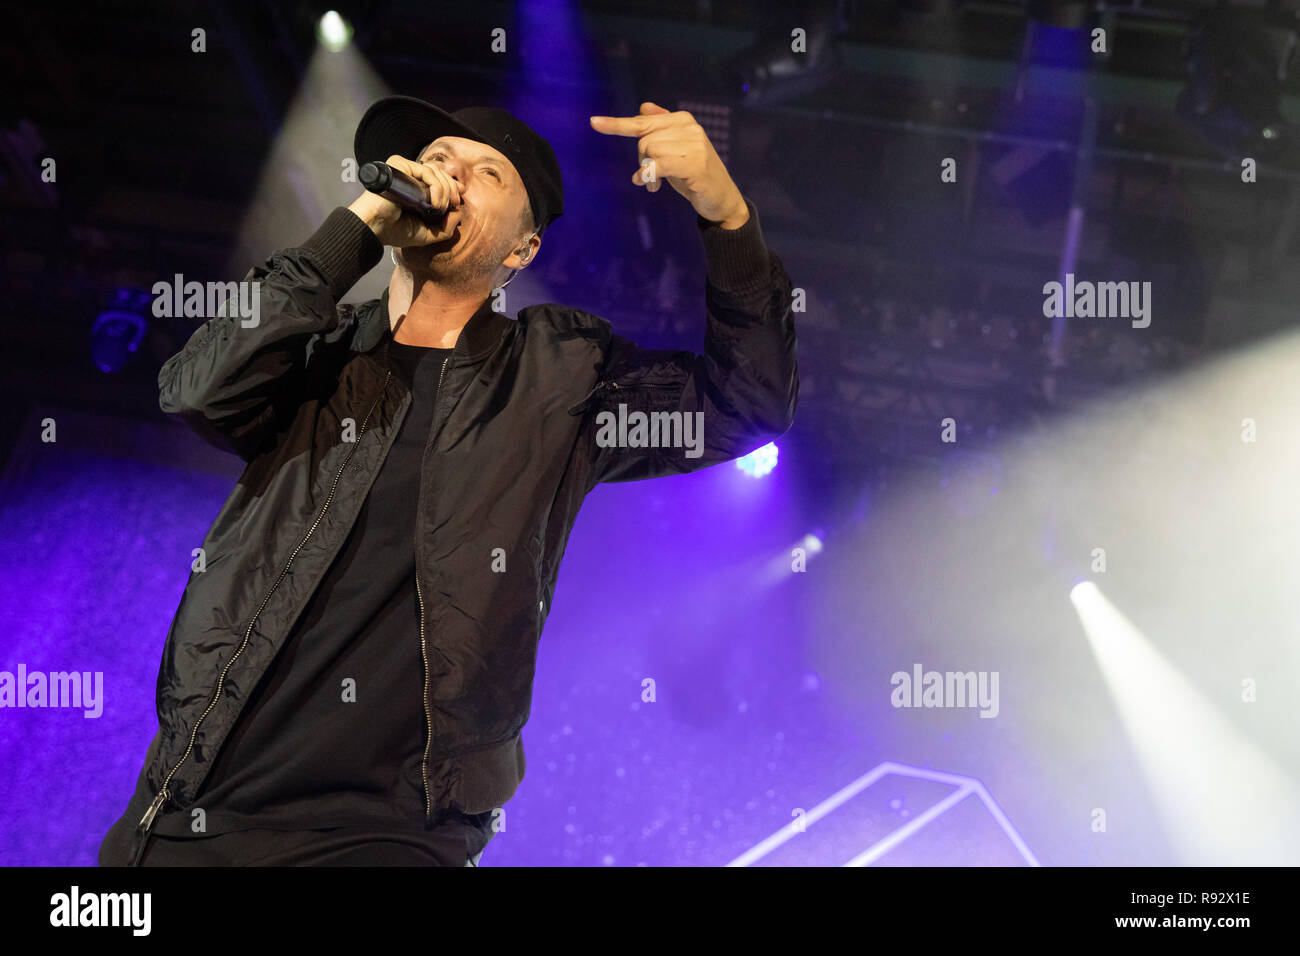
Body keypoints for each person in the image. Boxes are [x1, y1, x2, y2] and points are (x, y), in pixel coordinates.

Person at [97, 95, 798, 866]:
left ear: (522, 250)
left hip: (392, 830)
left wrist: (726, 215)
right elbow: (194, 390)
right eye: (437, 159)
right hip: (196, 807)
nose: (451, 176)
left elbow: (747, 400)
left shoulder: (560, 374)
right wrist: (356, 228)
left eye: (486, 171)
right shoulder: (317, 352)